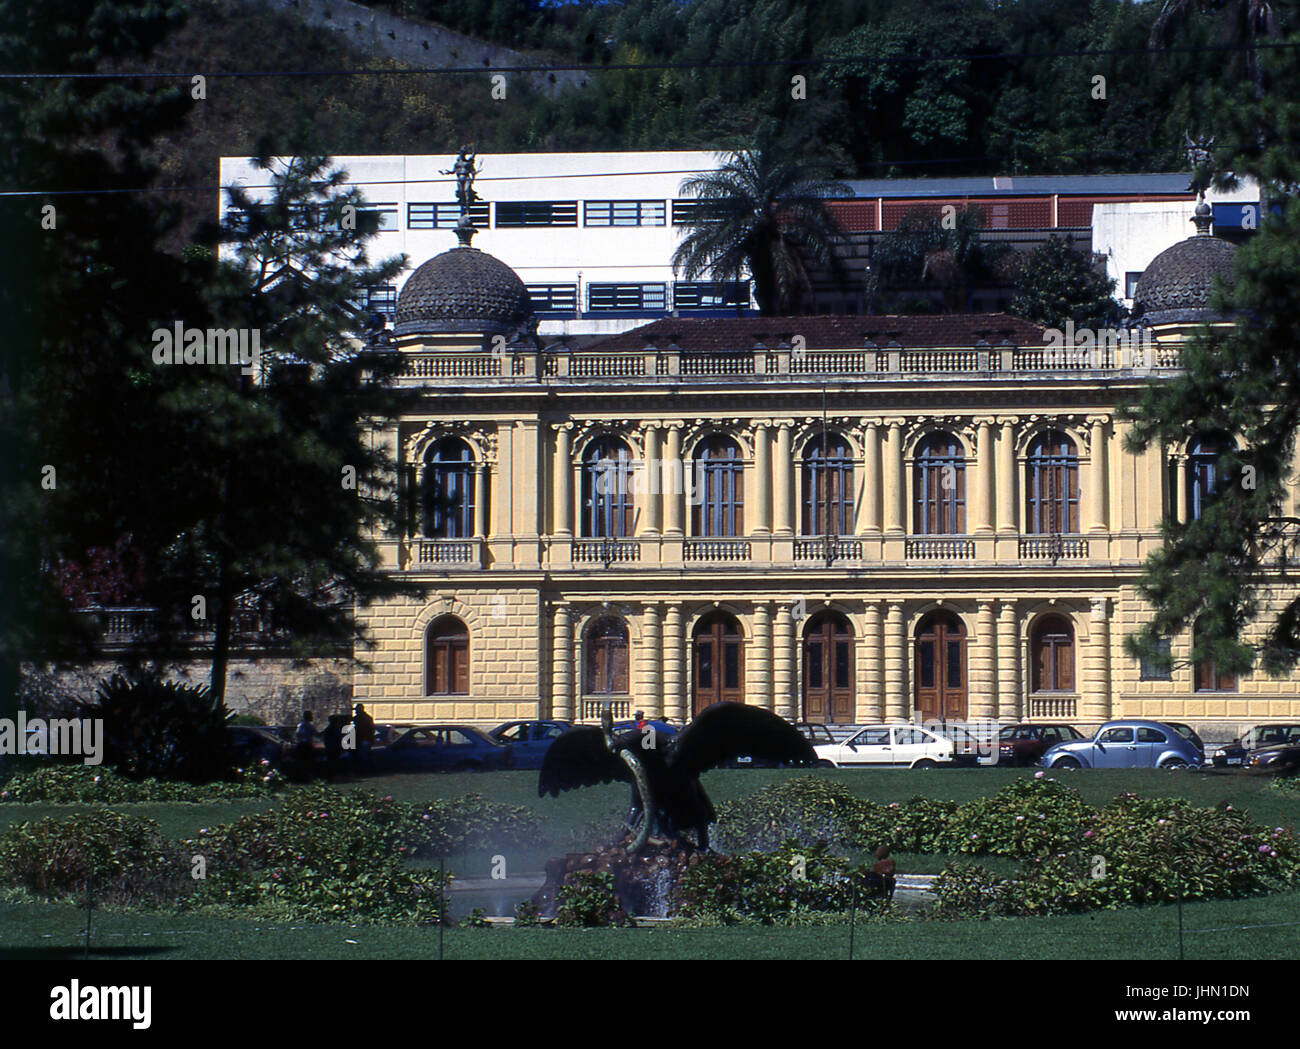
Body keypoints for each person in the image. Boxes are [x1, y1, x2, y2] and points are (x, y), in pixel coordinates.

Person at [352, 702, 375, 772]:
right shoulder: (366, 718)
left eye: (356, 710)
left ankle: (364, 771)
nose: (355, 711)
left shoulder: (363, 718)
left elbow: (370, 730)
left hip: (363, 740)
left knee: (363, 757)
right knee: (363, 757)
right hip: (362, 740)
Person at [295, 711, 318, 777]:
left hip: (300, 745)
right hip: (307, 746)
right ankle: (309, 775)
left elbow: (297, 735)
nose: (312, 717)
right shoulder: (309, 726)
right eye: (311, 716)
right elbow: (316, 734)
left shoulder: (300, 725)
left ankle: (301, 775)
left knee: (302, 762)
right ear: (309, 717)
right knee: (309, 761)